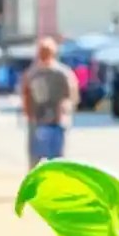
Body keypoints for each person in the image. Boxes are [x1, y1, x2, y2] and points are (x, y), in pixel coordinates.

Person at [21, 37, 79, 167]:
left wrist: (65, 111)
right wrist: (29, 114)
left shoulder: (62, 73)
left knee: (55, 158)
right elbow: (26, 95)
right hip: (38, 121)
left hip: (55, 121)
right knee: (39, 158)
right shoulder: (33, 73)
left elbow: (71, 96)